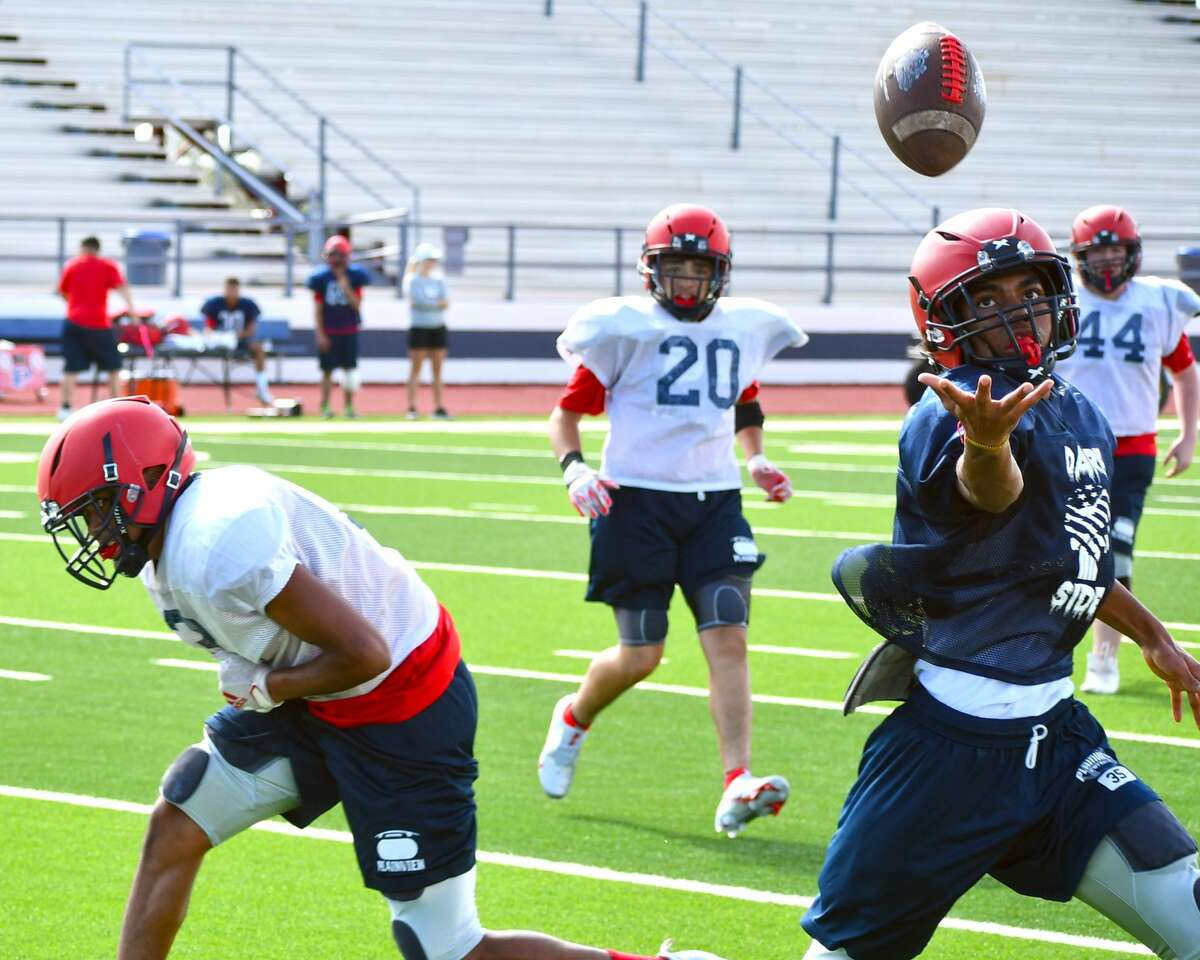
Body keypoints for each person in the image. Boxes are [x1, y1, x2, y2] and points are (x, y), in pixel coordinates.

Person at [35, 395, 729, 960]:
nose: (93, 534)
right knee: (178, 818)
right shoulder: (172, 550)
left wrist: (269, 689)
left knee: (446, 949)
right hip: (320, 691)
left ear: (151, 481)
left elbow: (362, 653)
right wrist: (267, 683)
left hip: (403, 701)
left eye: (98, 509)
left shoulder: (217, 541)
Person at [799, 208, 1200, 960]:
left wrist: (1156, 637)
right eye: (987, 299)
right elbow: (988, 491)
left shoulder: (1080, 411)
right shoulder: (946, 414)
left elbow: (1071, 559)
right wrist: (987, 443)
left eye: (1029, 287)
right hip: (945, 755)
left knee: (1190, 907)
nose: (1018, 310)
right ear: (943, 318)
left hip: (1057, 742)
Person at [538, 203, 808, 838]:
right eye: (676, 269)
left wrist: (760, 460)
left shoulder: (742, 329)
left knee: (729, 638)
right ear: (650, 272)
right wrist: (575, 469)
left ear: (720, 273)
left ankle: (735, 781)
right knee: (642, 655)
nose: (687, 283)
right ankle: (574, 717)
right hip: (636, 503)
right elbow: (565, 415)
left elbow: (744, 402)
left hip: (714, 503)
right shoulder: (623, 330)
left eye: (699, 270)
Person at [1056, 205, 1200, 696]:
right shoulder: (1061, 301)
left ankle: (1103, 658)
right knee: (1051, 549)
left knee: (1113, 555)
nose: (1109, 260)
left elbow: (1184, 370)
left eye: (1116, 248)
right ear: (1079, 256)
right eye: (1098, 251)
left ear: (1133, 251)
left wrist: (1188, 433)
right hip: (1066, 444)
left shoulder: (1158, 301)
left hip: (1132, 446)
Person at [55, 235, 135, 421]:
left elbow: (62, 292)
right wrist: (132, 311)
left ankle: (65, 407)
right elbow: (122, 288)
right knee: (113, 367)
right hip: (99, 323)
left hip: (74, 321)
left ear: (83, 248)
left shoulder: (72, 266)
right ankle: (117, 407)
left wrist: (75, 305)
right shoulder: (107, 266)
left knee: (70, 368)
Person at [307, 234, 369, 419]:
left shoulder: (354, 276)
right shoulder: (321, 278)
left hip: (349, 329)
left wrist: (344, 284)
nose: (336, 259)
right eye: (333, 254)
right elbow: (317, 309)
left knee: (349, 370)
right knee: (327, 371)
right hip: (329, 330)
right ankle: (325, 406)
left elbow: (357, 305)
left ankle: (349, 407)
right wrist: (320, 333)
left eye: (340, 255)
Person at [200, 277, 273, 405]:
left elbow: (251, 330)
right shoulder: (214, 304)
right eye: (229, 289)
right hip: (220, 341)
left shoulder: (248, 305)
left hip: (240, 340)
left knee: (259, 349)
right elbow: (208, 328)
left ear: (239, 290)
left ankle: (262, 388)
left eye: (234, 289)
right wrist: (217, 337)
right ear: (225, 289)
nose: (232, 292)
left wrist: (236, 336)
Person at [403, 242, 452, 420]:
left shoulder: (438, 280)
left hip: (437, 327)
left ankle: (439, 407)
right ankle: (412, 407)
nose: (433, 262)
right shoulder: (412, 280)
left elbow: (445, 303)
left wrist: (432, 304)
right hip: (419, 328)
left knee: (438, 369)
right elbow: (417, 302)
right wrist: (435, 304)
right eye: (430, 259)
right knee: (416, 368)